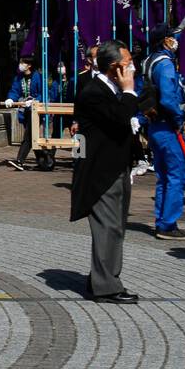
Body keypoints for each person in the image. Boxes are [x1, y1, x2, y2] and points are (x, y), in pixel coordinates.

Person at [70, 40, 140, 304]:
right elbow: (120, 118)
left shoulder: (109, 89)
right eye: (127, 63)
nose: (131, 67)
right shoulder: (93, 92)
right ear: (114, 68)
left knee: (116, 227)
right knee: (107, 228)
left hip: (117, 167)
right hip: (100, 172)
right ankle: (107, 286)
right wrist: (130, 92)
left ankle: (102, 276)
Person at [143, 24, 185, 240]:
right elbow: (167, 97)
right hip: (167, 125)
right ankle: (168, 223)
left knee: (163, 176)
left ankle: (162, 220)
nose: (176, 40)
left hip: (155, 125)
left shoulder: (148, 61)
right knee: (176, 175)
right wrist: (178, 117)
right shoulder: (165, 65)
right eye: (173, 36)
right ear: (165, 40)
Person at [5, 57, 53, 171]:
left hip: (36, 111)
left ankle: (20, 161)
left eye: (23, 63)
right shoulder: (19, 78)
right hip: (25, 111)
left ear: (29, 65)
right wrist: (10, 99)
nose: (20, 65)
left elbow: (44, 93)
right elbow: (15, 91)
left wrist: (34, 101)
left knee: (28, 136)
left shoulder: (39, 77)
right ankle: (46, 161)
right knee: (33, 138)